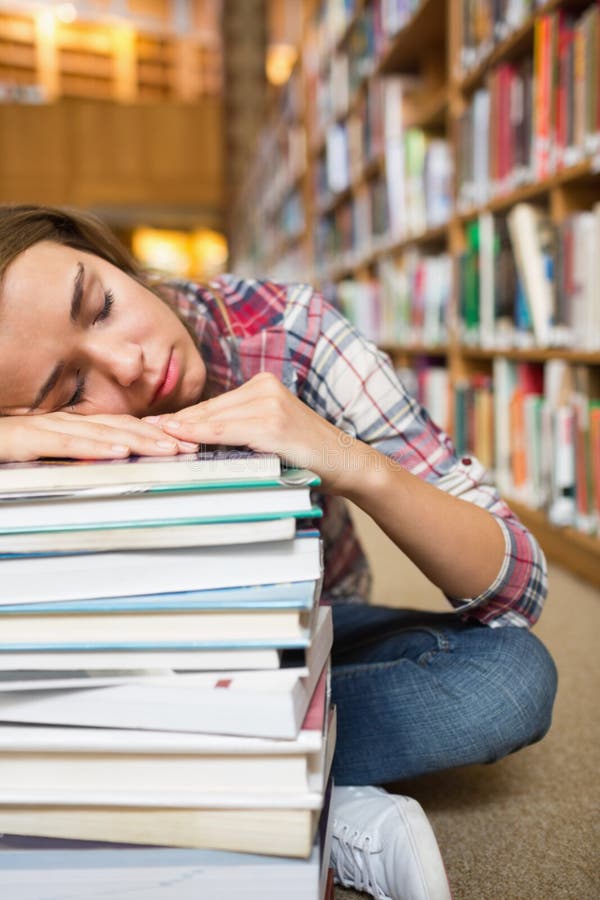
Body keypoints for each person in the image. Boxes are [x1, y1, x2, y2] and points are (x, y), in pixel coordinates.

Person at [0, 204, 557, 900]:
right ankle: (319, 793)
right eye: (72, 392)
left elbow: (519, 586)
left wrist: (350, 462)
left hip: (301, 641)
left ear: (105, 254)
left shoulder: (288, 329)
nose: (131, 363)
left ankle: (190, 787)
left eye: (102, 304)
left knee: (510, 682)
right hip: (106, 670)